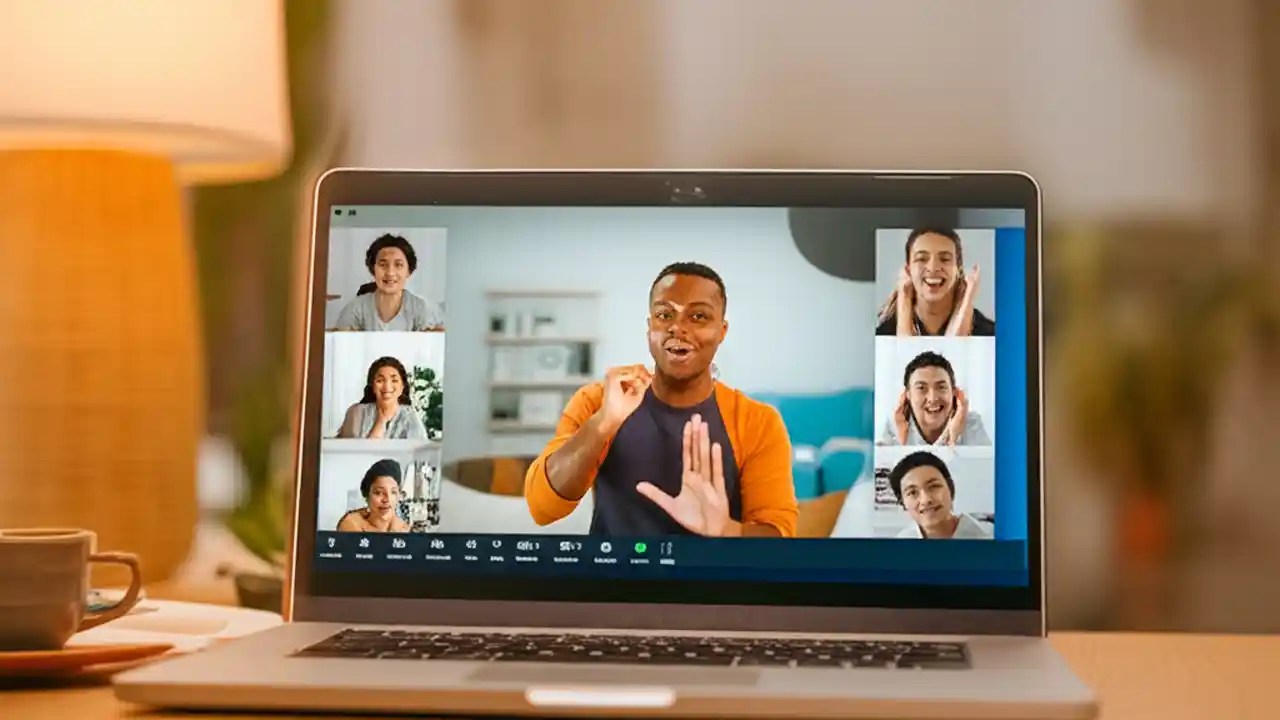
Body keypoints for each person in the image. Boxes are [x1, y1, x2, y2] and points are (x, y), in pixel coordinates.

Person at [523, 262, 798, 537]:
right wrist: (603, 424)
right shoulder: (598, 400)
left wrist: (726, 530)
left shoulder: (758, 422)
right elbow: (542, 508)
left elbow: (779, 536)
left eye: (699, 317)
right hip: (611, 578)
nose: (677, 328)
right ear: (649, 327)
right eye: (664, 315)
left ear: (721, 331)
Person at [875, 228, 994, 336]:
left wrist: (968, 298)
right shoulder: (884, 334)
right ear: (908, 270)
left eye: (945, 259)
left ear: (958, 269)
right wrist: (904, 297)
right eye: (921, 259)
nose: (933, 268)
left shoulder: (989, 334)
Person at [333, 234, 445, 332]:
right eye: (383, 265)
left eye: (398, 265)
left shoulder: (421, 309)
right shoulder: (355, 309)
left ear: (409, 271)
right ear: (373, 269)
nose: (390, 273)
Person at [879, 351, 990, 446]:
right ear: (907, 395)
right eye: (921, 388)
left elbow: (983, 469)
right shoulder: (895, 424)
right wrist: (902, 444)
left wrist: (953, 440)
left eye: (941, 387)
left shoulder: (971, 422)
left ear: (954, 392)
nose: (932, 398)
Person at [888, 451, 992, 539]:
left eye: (934, 486)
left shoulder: (990, 536)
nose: (926, 500)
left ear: (950, 488)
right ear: (902, 502)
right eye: (912, 492)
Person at [337, 356, 428, 440]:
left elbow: (419, 453)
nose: (387, 387)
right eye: (380, 381)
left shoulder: (410, 416)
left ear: (402, 387)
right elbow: (352, 454)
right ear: (372, 385)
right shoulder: (356, 412)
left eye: (394, 380)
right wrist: (380, 422)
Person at [337, 458, 410, 533]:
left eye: (393, 492)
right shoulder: (352, 524)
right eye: (378, 492)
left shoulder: (404, 529)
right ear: (367, 495)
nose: (386, 499)